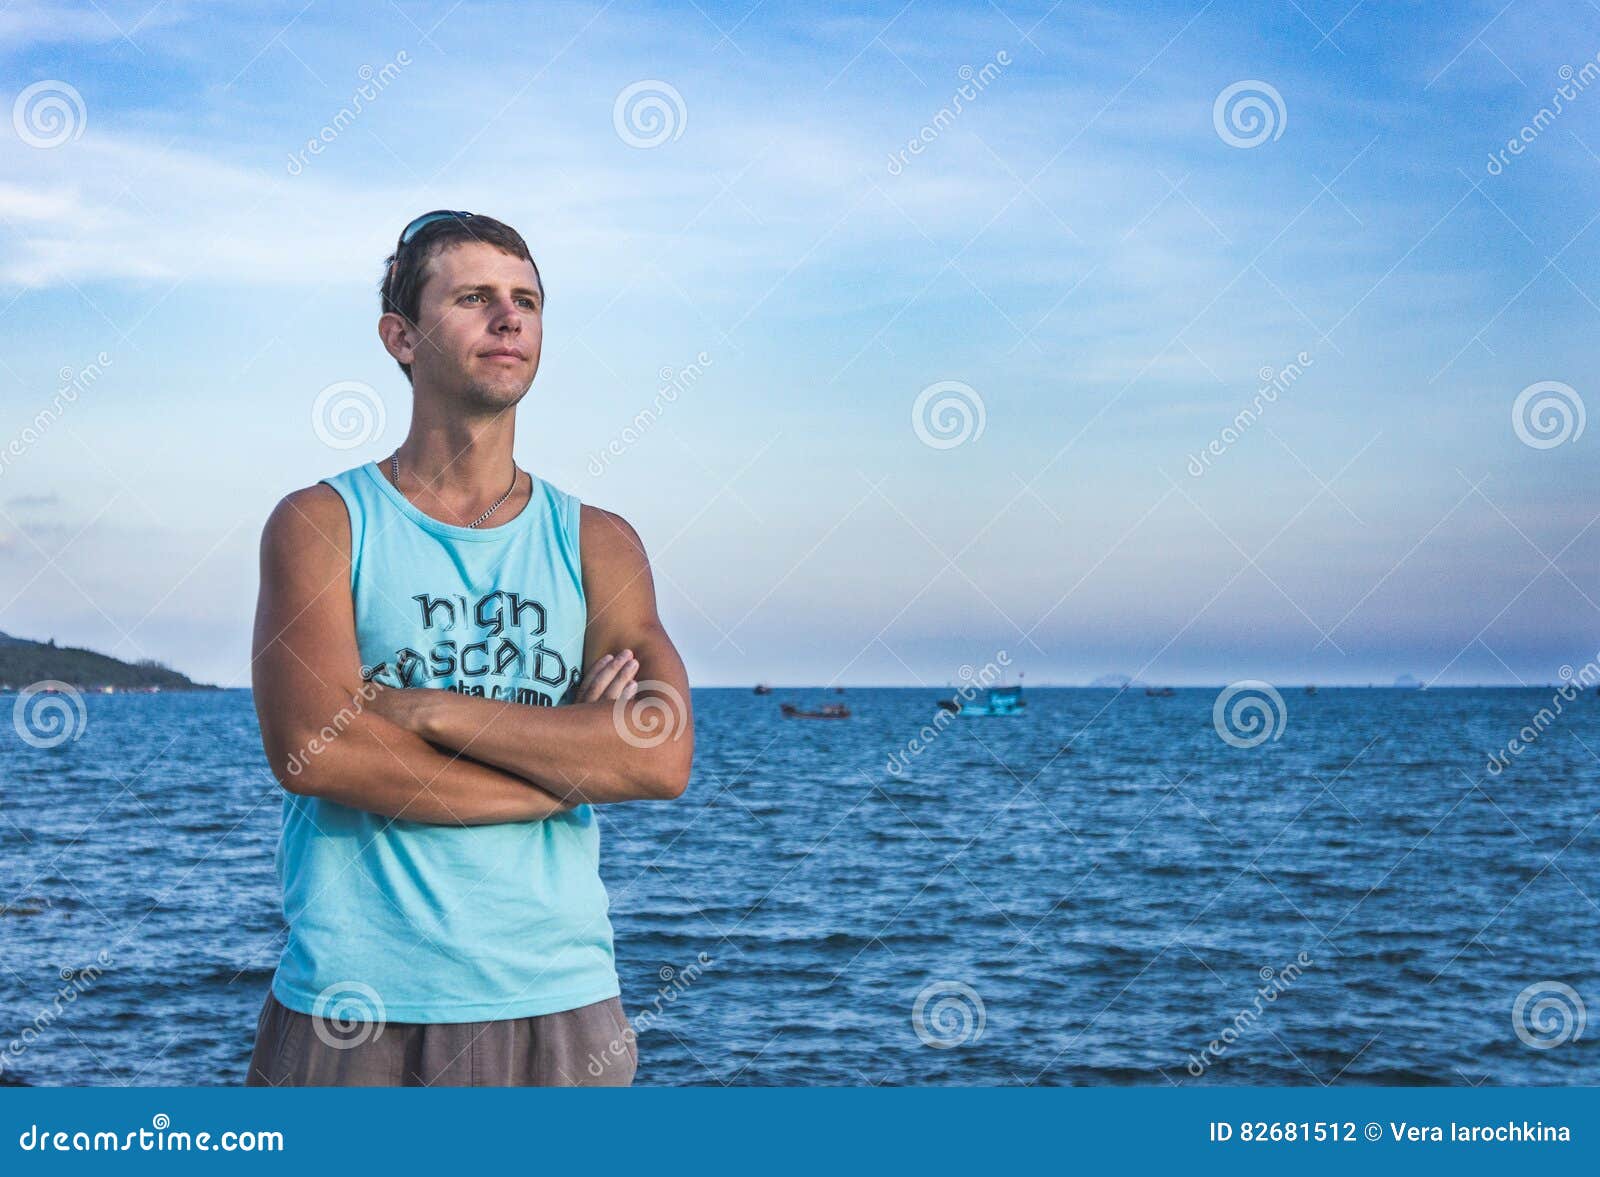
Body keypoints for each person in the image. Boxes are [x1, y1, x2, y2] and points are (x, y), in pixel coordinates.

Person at [246, 210, 693, 1086]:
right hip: (354, 1003)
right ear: (400, 337)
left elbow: (661, 753)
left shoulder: (598, 541)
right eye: (475, 297)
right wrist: (563, 761)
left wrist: (434, 711)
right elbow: (315, 750)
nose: (510, 317)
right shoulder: (323, 524)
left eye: (526, 299)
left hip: (558, 1000)